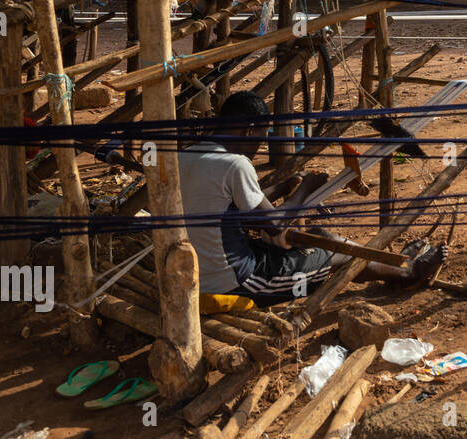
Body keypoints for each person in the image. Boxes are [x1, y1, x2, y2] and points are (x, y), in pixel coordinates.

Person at [178, 91, 445, 306]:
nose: (262, 143)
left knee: (320, 234)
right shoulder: (234, 164)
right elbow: (273, 225)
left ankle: (392, 263)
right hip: (240, 283)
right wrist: (307, 188)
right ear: (249, 129)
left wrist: (284, 188)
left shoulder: (188, 156)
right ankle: (407, 272)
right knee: (336, 253)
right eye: (262, 134)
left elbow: (235, 208)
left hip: (199, 273)